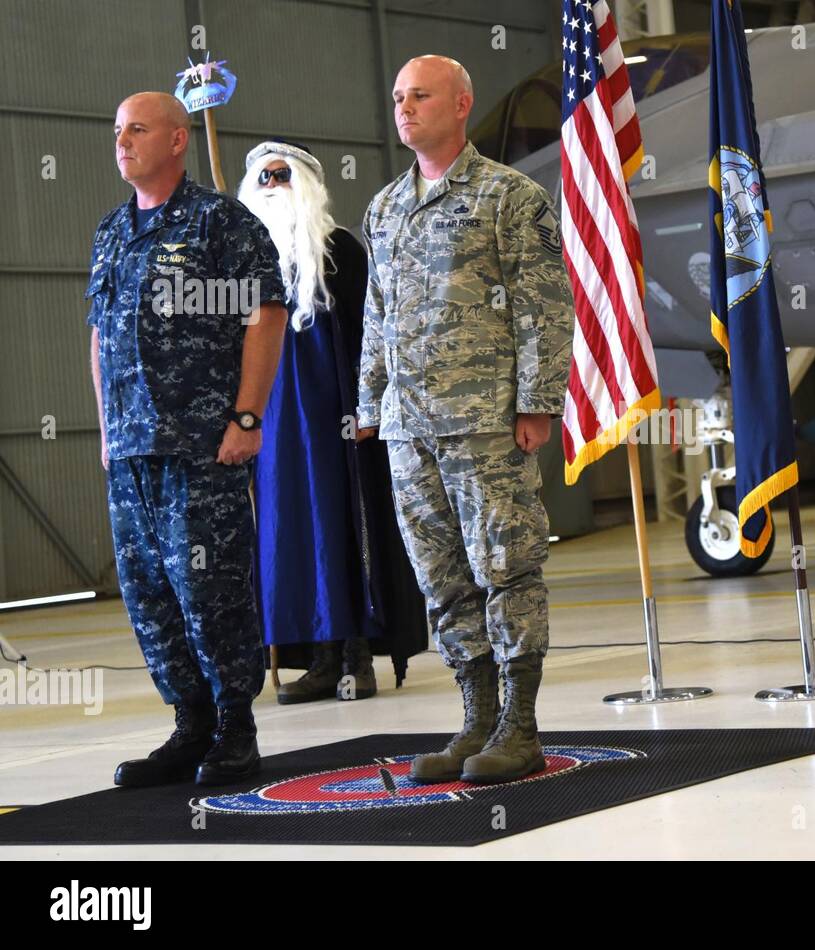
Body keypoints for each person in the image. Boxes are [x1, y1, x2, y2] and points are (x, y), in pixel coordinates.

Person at [357, 56, 574, 785]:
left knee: (507, 568)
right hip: (407, 429)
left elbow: (545, 303)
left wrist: (538, 402)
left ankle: (521, 726)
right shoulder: (385, 208)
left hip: (484, 420)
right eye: (397, 97)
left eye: (419, 95)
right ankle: (476, 719)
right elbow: (376, 315)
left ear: (460, 103)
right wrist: (368, 401)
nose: (404, 107)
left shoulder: (509, 196)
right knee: (443, 580)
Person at [87, 92, 287, 787]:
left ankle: (237, 727)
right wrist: (109, 431)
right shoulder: (111, 232)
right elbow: (99, 334)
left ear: (176, 140)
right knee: (150, 594)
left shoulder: (217, 223)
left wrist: (247, 417)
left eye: (137, 129)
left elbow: (265, 315)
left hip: (202, 445)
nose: (122, 141)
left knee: (211, 588)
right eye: (117, 131)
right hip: (132, 453)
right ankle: (189, 723)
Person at [237, 140, 427, 703]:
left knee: (343, 528)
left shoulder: (340, 250)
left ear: (308, 184)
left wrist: (371, 406)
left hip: (337, 423)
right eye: (262, 178)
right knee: (288, 534)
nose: (272, 186)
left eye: (282, 175)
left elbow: (377, 333)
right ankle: (317, 658)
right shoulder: (245, 265)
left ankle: (354, 656)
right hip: (272, 428)